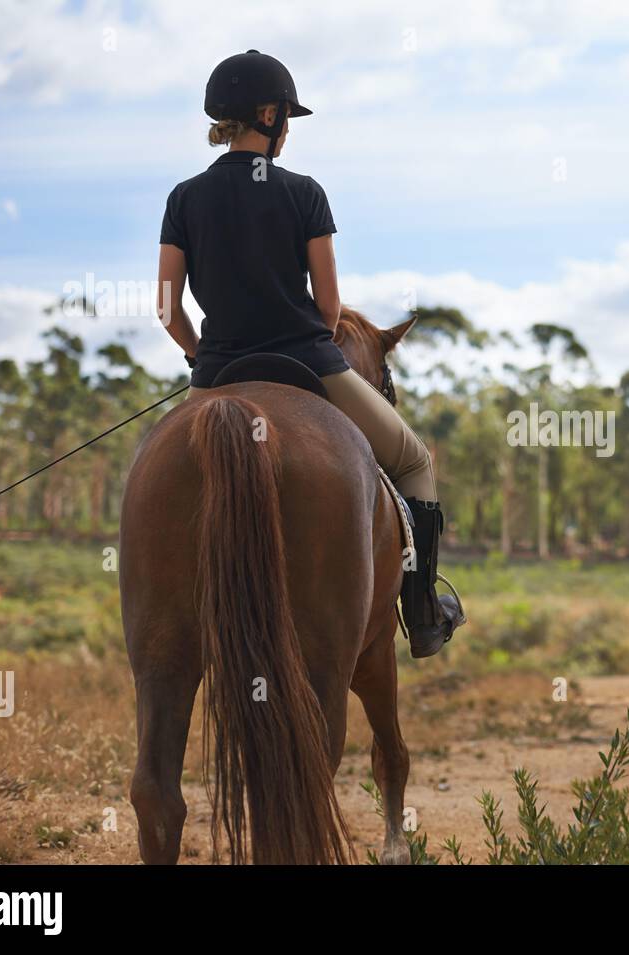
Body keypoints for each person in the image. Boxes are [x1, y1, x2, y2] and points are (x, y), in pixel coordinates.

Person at [155, 50, 463, 658]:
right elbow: (328, 308)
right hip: (310, 367)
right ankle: (423, 612)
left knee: (159, 472)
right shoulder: (303, 192)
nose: (288, 130)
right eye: (286, 117)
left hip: (217, 373)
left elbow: (167, 311)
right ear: (268, 116)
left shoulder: (184, 197)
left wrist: (201, 357)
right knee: (416, 461)